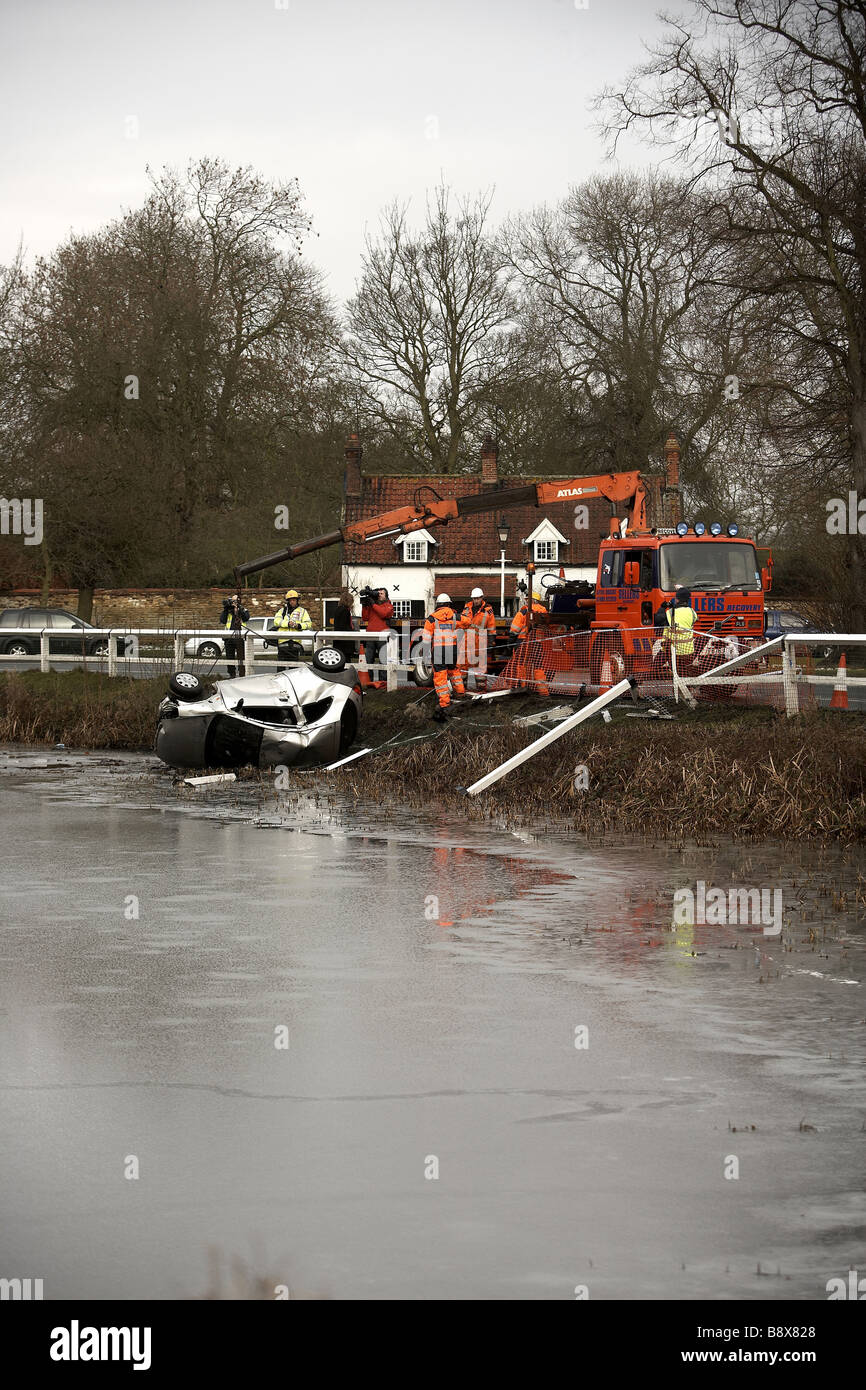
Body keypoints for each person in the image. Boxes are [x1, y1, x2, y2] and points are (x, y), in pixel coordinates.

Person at [424, 592, 469, 720]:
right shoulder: (455, 617)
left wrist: (426, 652)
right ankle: (460, 693)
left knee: (440, 676)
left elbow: (426, 638)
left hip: (438, 651)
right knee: (454, 671)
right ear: (449, 604)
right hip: (452, 649)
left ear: (437, 604)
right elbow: (468, 621)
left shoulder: (432, 618)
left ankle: (445, 703)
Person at [459, 586, 497, 692]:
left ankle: (481, 690)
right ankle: (461, 689)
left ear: (482, 598)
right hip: (466, 642)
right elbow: (462, 623)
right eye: (474, 598)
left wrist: (491, 642)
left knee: (480, 667)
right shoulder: (467, 607)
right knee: (462, 666)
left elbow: (491, 627)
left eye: (477, 598)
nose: (475, 600)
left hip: (480, 643)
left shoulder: (488, 610)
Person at [360, 585, 394, 681]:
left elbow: (383, 614)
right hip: (371, 636)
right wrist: (365, 606)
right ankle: (368, 680)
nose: (379, 595)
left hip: (382, 636)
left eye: (381, 593)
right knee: (368, 660)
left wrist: (373, 605)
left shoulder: (389, 605)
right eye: (378, 593)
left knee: (383, 660)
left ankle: (382, 681)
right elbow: (365, 617)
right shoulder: (373, 605)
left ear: (386, 596)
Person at [273, 588, 313, 664]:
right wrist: (287, 624)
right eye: (290, 600)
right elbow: (276, 621)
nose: (292, 602)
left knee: (294, 666)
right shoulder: (282, 611)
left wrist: (299, 626)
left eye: (294, 600)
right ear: (288, 601)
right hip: (282, 642)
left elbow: (308, 624)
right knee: (281, 666)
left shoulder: (303, 611)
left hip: (295, 642)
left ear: (297, 600)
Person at [663, 587, 698, 673]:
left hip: (675, 651)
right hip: (689, 651)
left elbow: (665, 630)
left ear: (676, 599)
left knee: (677, 674)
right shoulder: (692, 612)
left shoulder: (670, 612)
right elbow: (695, 620)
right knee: (685, 674)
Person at [219, 590, 250, 678]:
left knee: (241, 658)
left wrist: (239, 608)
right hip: (229, 638)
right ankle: (231, 674)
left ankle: (242, 675)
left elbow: (246, 618)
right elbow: (222, 620)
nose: (234, 603)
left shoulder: (243, 609)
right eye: (232, 601)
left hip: (240, 638)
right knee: (229, 658)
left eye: (235, 601)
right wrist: (226, 609)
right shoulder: (228, 611)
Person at [331, 589, 357, 661]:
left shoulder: (338, 609)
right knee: (346, 660)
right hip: (345, 642)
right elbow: (344, 626)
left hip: (338, 640)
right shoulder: (345, 610)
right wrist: (352, 631)